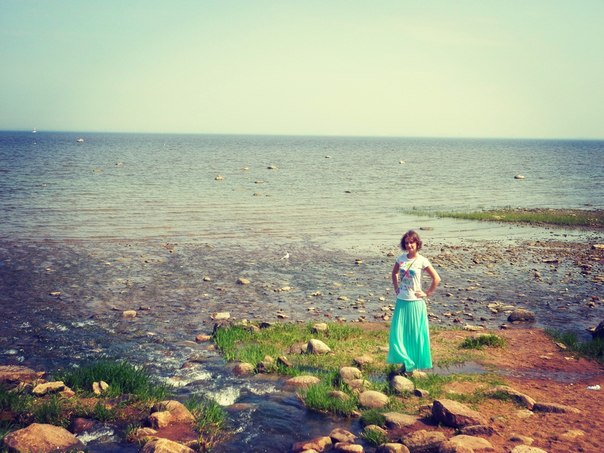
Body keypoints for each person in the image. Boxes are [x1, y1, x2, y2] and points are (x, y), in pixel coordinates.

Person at [387, 230, 441, 373]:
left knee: (415, 334)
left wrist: (427, 293)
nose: (409, 245)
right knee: (398, 335)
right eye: (407, 243)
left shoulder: (422, 260)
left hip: (416, 303)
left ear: (417, 243)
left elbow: (436, 279)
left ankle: (412, 364)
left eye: (412, 242)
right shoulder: (401, 259)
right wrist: (396, 288)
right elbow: (394, 273)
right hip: (401, 301)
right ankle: (406, 362)